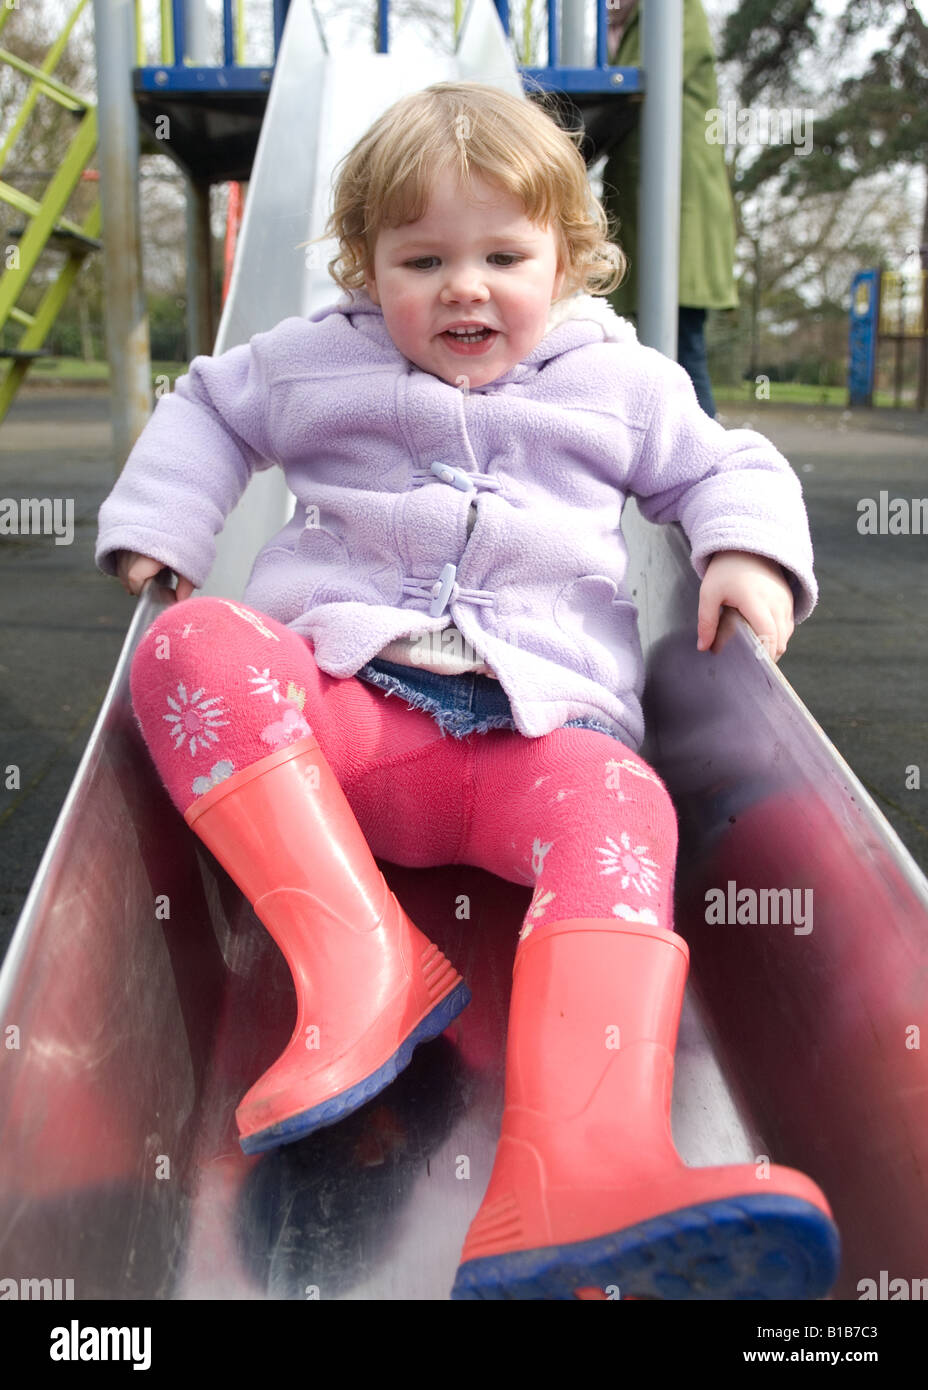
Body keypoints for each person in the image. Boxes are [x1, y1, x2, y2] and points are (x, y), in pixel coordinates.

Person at [94, 81, 838, 1300]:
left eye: (504, 253)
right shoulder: (316, 364)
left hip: (532, 747)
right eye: (421, 258)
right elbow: (209, 409)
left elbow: (723, 462)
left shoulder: (619, 378)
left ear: (568, 258)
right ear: (365, 267)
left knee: (625, 811)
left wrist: (744, 548)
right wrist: (167, 530)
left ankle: (579, 1159)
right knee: (190, 651)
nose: (463, 286)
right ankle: (362, 971)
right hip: (347, 724)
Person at [602, 0, 739, 417]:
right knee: (667, 354)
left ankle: (710, 472)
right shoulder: (638, 22)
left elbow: (645, 78)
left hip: (678, 211)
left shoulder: (670, 11)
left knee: (681, 354)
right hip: (658, 209)